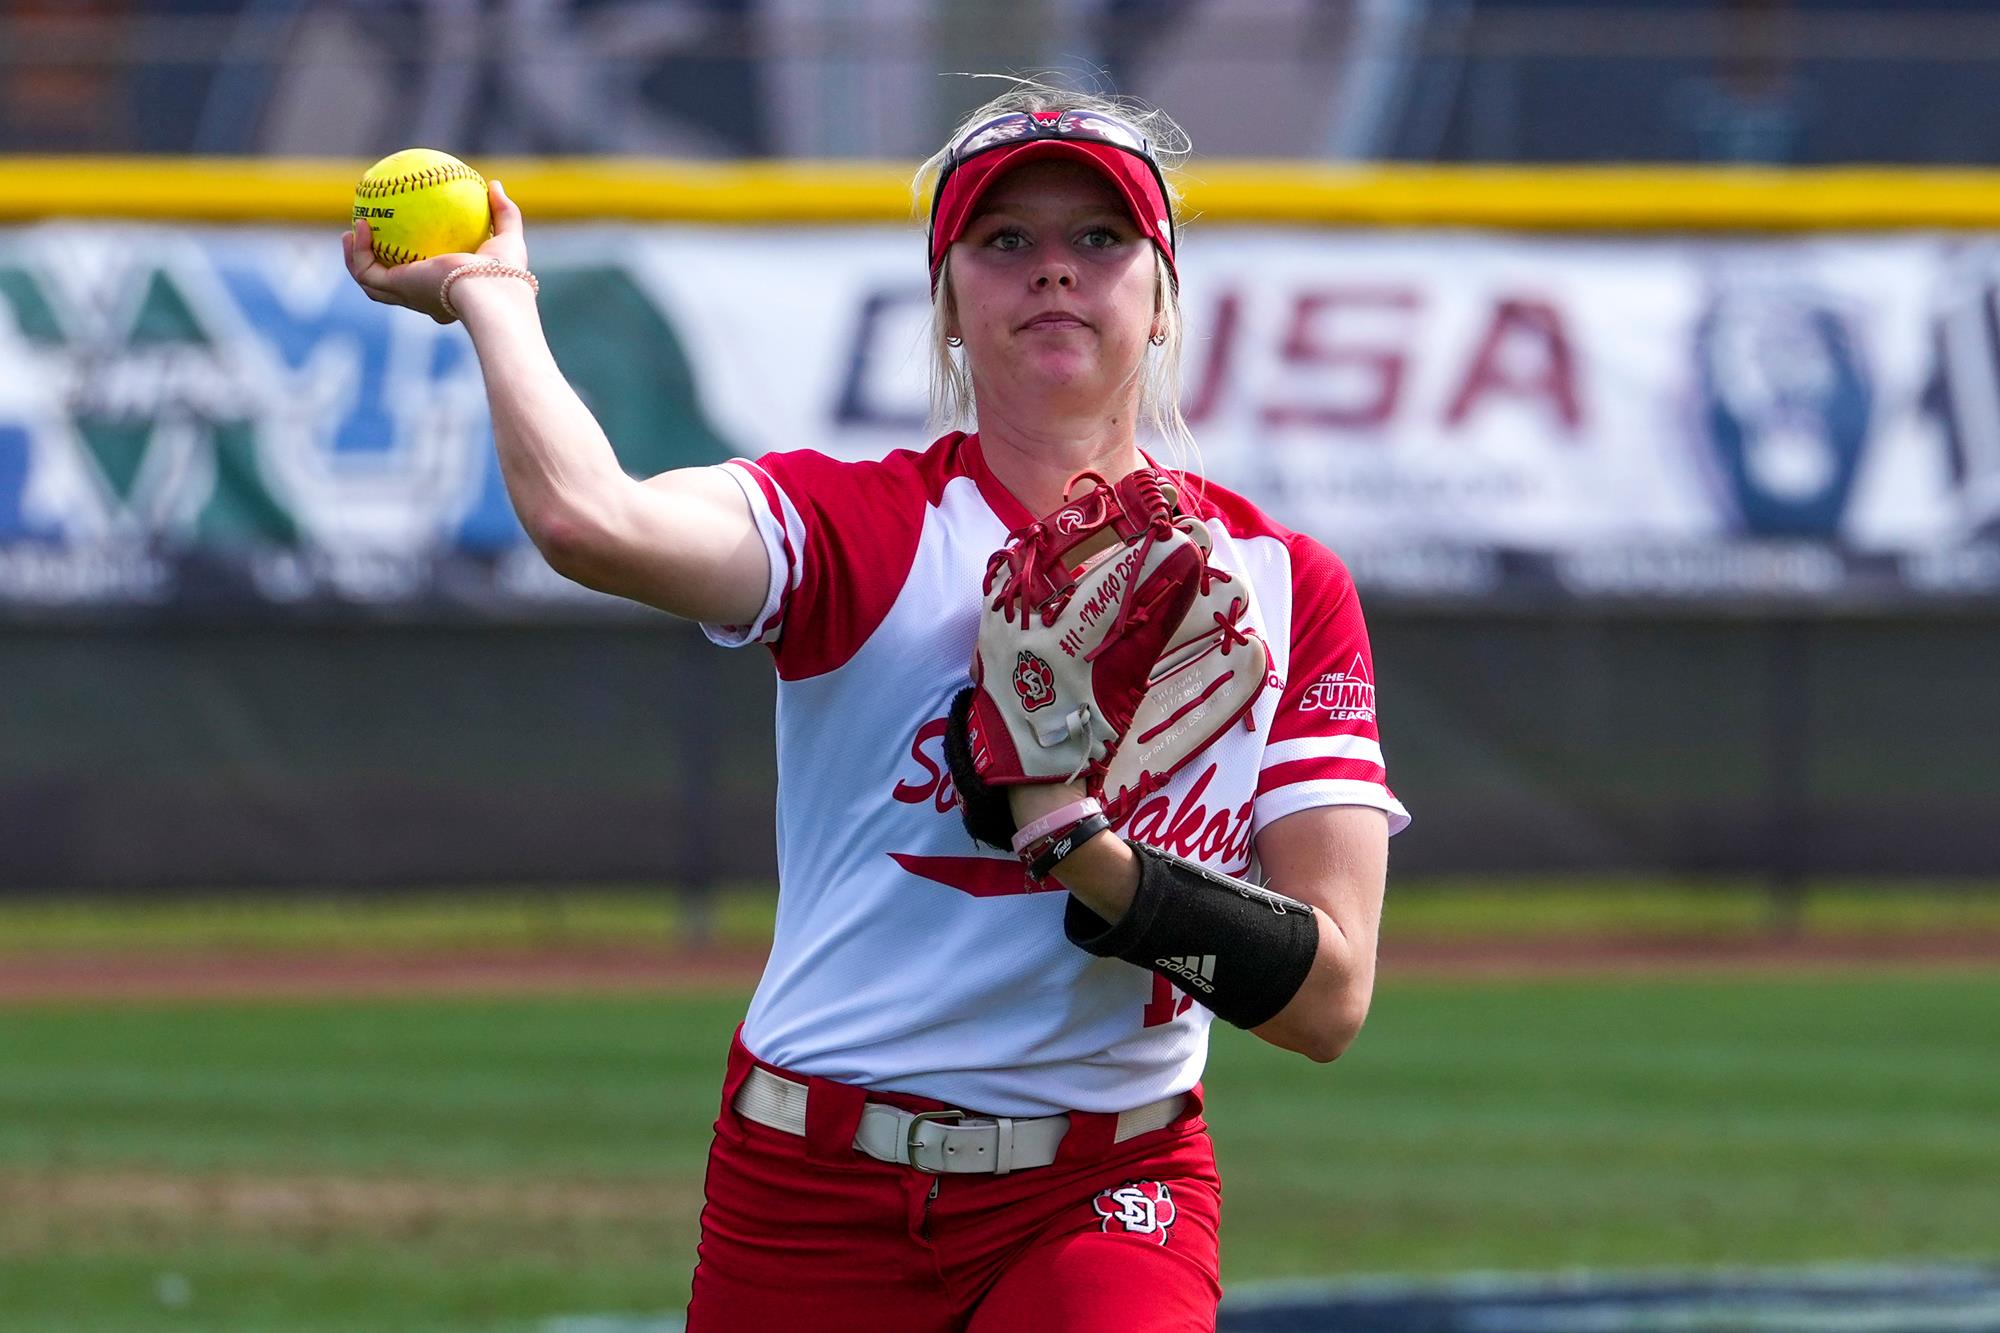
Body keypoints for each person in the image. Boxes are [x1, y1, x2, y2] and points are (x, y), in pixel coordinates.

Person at [344, 78, 1408, 1333]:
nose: (1053, 273)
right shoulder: (861, 527)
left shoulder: (1277, 583)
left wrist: (1092, 859)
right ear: (950, 306)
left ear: (1163, 298)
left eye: (1099, 240)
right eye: (1004, 242)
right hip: (810, 1188)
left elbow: (1327, 1003)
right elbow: (591, 519)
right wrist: (494, 296)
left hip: (1106, 1186)